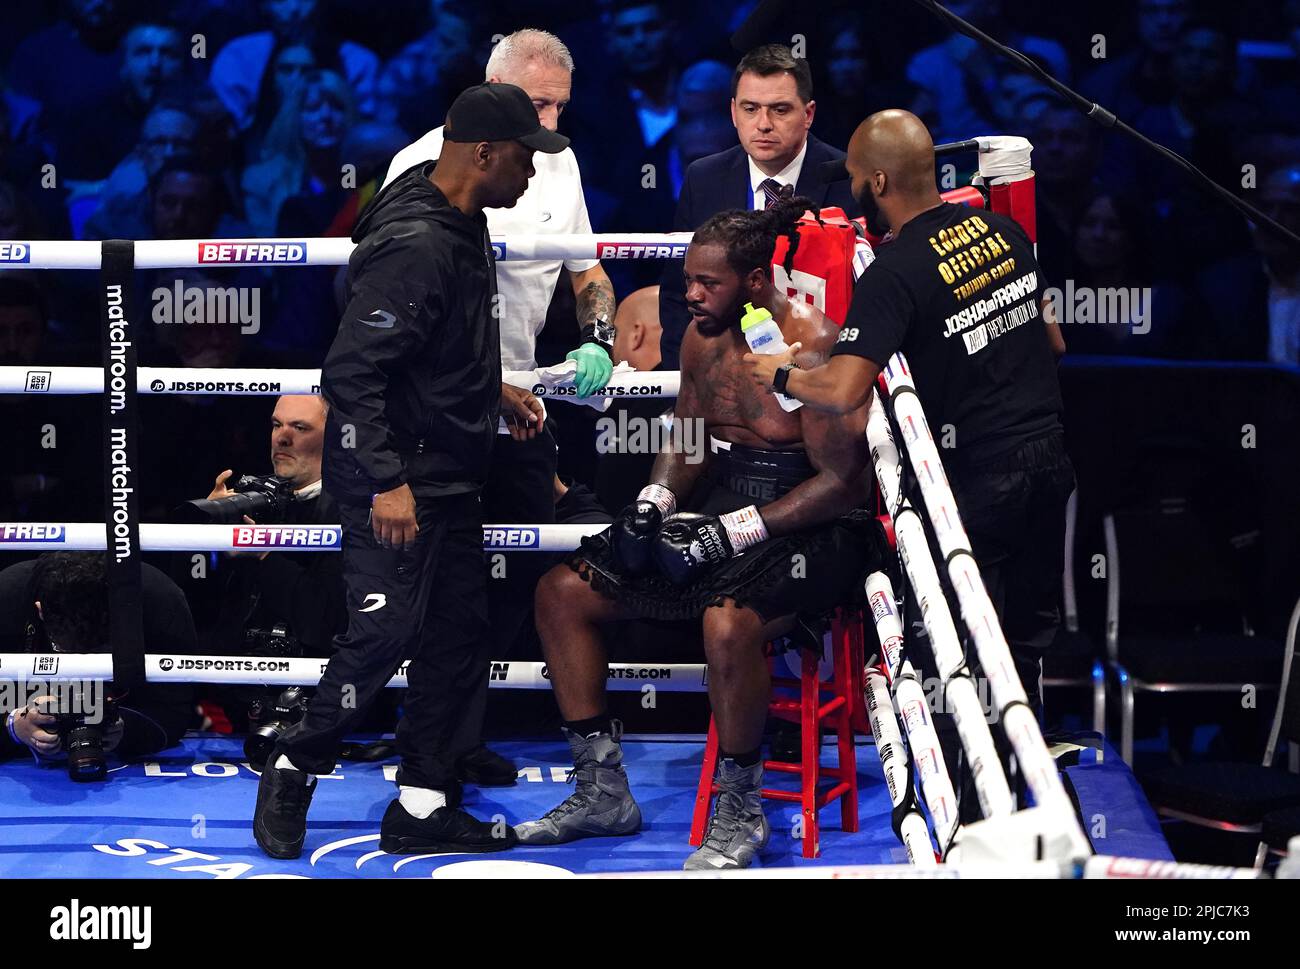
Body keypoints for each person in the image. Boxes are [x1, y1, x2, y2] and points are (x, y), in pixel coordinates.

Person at [514, 198, 891, 870]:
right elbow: (689, 439)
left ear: (755, 280)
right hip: (722, 501)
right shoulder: (700, 336)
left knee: (727, 622)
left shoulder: (813, 345)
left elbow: (843, 485)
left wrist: (735, 531)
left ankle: (740, 808)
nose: (690, 294)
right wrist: (653, 502)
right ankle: (602, 791)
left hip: (811, 524)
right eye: (688, 279)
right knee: (561, 592)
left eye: (707, 283)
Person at [252, 81, 565, 860]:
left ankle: (422, 801)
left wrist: (491, 389)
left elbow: (427, 350)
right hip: (397, 481)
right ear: (484, 153)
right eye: (525, 156)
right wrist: (388, 481)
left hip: (448, 473)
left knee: (458, 635)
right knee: (383, 635)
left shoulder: (455, 215)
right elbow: (351, 372)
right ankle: (293, 762)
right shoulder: (418, 241)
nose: (533, 172)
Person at [743, 110, 1072, 752]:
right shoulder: (1005, 231)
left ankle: (968, 787)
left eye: (856, 177)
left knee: (958, 640)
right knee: (1025, 634)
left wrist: (780, 375)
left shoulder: (893, 273)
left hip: (979, 474)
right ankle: (1028, 760)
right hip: (1049, 456)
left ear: (880, 182)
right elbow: (1054, 342)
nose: (851, 190)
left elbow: (843, 389)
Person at [384, 29, 618, 786]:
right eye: (537, 104)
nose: (550, 122)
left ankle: (463, 734)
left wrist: (599, 340)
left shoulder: (561, 161)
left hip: (523, 407)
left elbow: (588, 272)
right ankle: (425, 749)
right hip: (443, 410)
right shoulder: (421, 165)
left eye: (560, 106)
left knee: (523, 570)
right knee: (439, 584)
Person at [658, 43, 860, 370]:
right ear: (733, 112)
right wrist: (684, 379)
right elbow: (675, 294)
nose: (763, 124)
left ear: (808, 114)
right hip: (725, 371)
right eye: (750, 109)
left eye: (780, 110)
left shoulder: (850, 179)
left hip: (826, 370)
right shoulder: (703, 179)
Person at [0, 552, 196, 764]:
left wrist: (126, 729)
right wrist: (12, 726)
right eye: (64, 650)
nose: (79, 669)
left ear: (120, 615)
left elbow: (176, 710)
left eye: (97, 650)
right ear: (40, 612)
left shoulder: (160, 602)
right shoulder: (6, 600)